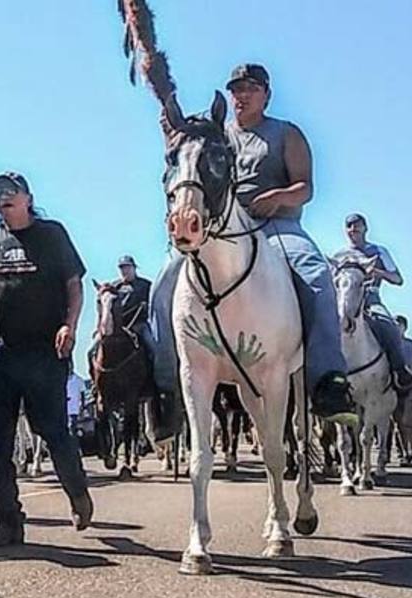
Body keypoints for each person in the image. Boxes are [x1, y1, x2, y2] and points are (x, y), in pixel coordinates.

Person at [148, 63, 358, 436]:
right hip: (218, 228)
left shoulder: (285, 133)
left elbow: (305, 187)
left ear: (266, 94)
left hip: (277, 226)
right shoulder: (216, 136)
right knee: (163, 282)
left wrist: (278, 197)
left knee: (315, 274)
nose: (241, 96)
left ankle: (329, 380)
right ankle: (165, 388)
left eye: (250, 88)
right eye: (235, 89)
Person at [0, 171, 94, 546]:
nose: (3, 198)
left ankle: (77, 490)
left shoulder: (51, 234)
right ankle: (7, 520)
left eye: (10, 192)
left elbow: (74, 283)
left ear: (27, 198)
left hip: (45, 349)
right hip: (2, 348)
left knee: (50, 429)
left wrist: (69, 325)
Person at [333, 214, 412, 392]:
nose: (353, 229)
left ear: (365, 228)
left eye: (357, 225)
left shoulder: (378, 251)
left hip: (370, 296)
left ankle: (399, 370)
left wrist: (378, 272)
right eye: (350, 226)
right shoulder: (339, 255)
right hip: (344, 298)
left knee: (388, 325)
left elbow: (398, 279)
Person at [392, 315, 412, 468]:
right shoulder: (387, 345)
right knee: (399, 423)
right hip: (393, 387)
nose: (397, 327)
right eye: (394, 324)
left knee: (411, 422)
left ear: (405, 327)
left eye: (400, 325)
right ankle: (404, 453)